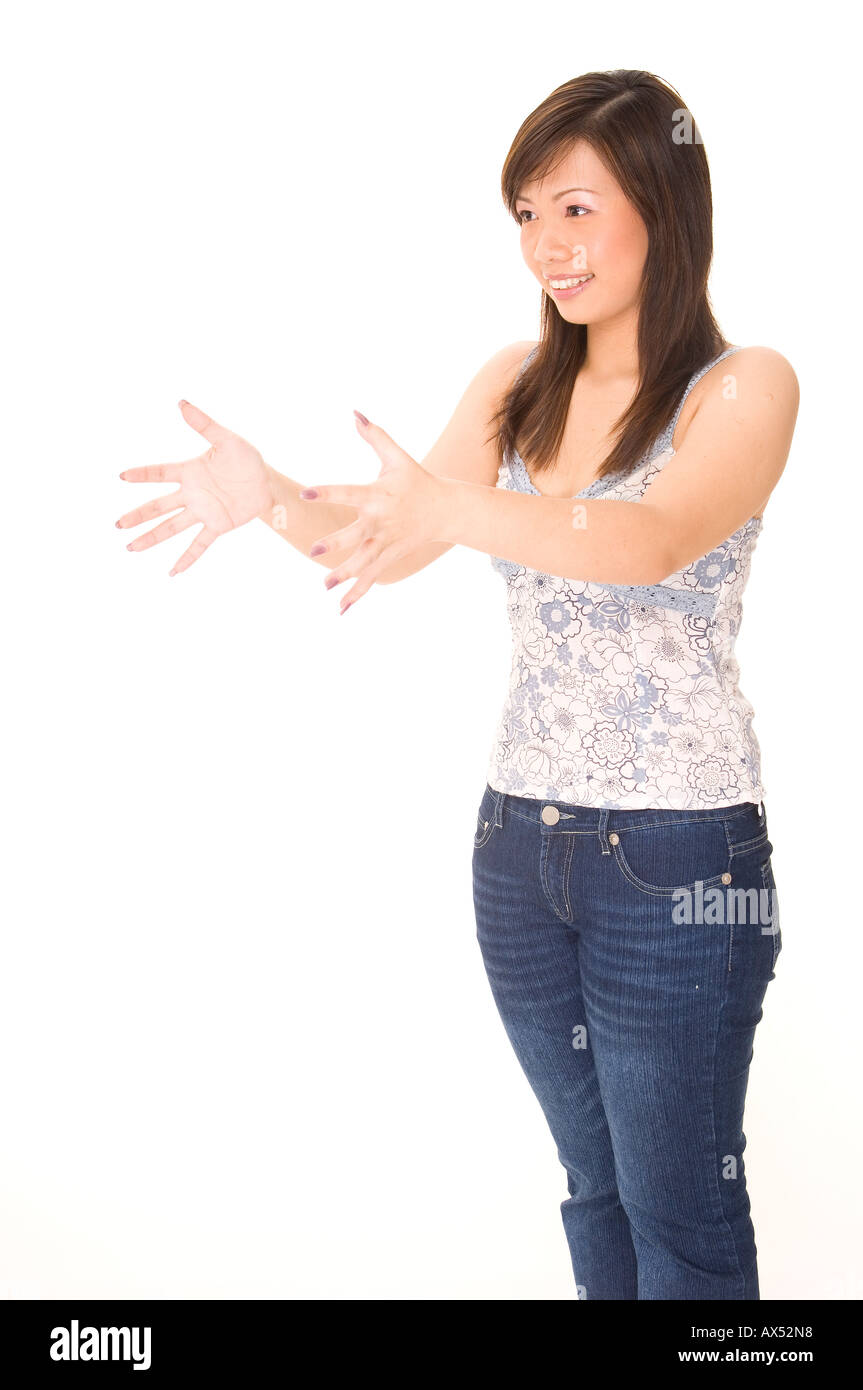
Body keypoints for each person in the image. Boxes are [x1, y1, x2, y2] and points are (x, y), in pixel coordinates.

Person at [115, 69, 798, 1300]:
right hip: (517, 852)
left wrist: (449, 503)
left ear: (664, 200)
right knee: (592, 1195)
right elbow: (384, 537)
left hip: (680, 861)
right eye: (526, 214)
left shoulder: (742, 386)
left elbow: (646, 541)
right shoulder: (512, 383)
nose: (546, 244)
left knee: (680, 1221)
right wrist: (270, 492)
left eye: (576, 208)